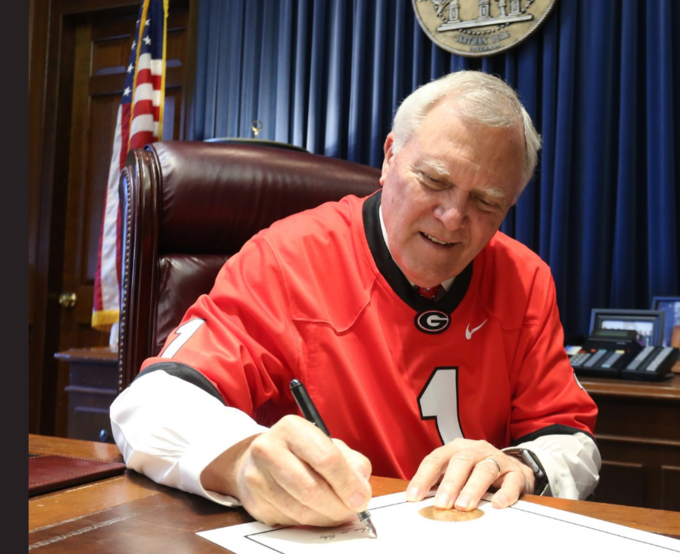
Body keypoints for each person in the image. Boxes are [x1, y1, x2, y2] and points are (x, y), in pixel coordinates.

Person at [109, 71, 600, 529]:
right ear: (389, 158)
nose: (453, 217)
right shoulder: (288, 259)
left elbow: (572, 440)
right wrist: (240, 461)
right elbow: (149, 404)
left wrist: (519, 464)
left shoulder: (526, 278)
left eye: (486, 201)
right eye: (433, 181)